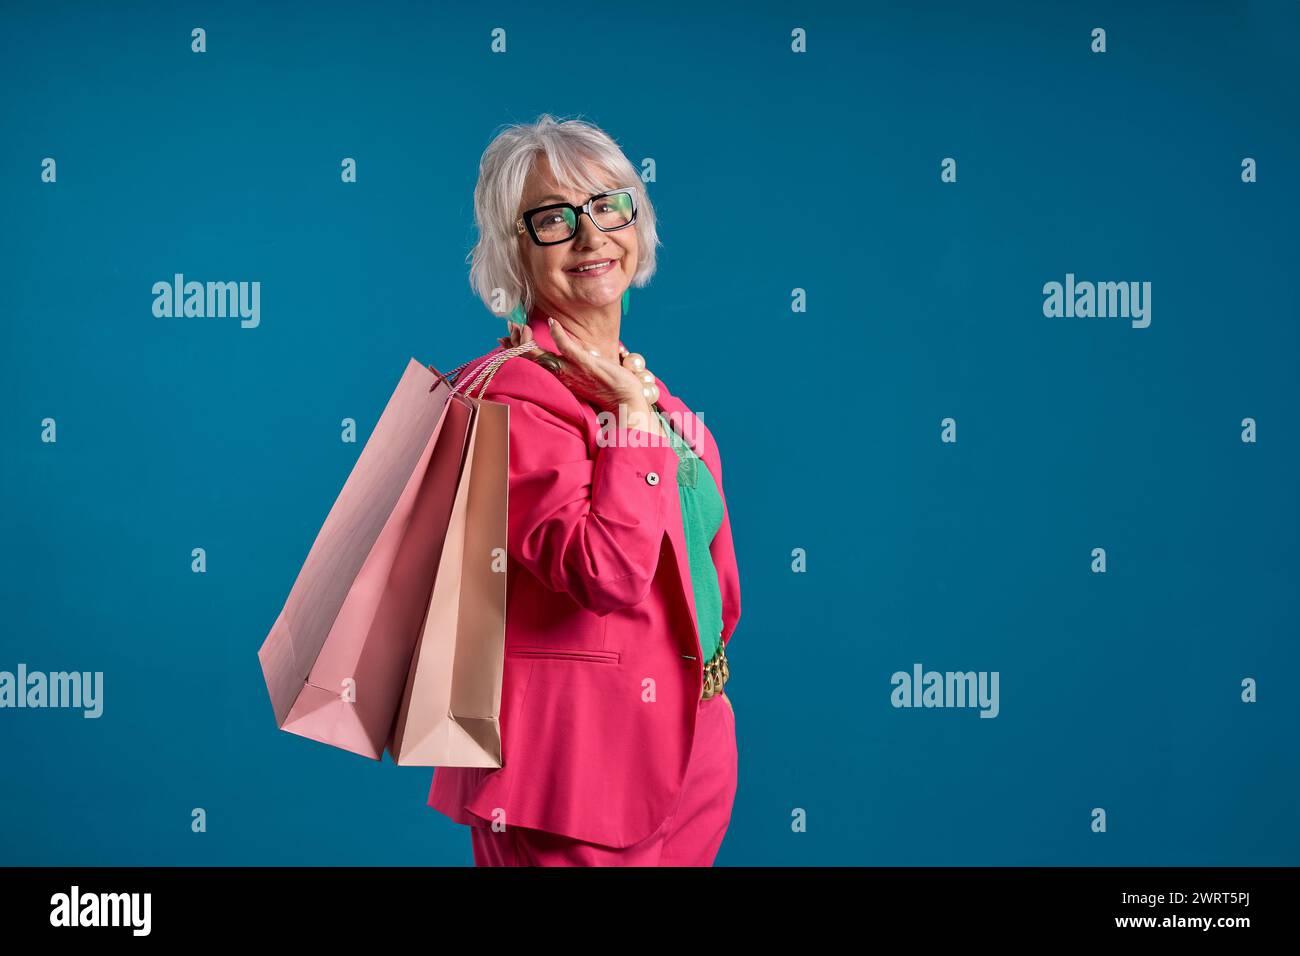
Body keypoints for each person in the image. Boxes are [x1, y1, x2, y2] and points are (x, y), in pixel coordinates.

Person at [427, 114, 741, 866]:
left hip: (688, 743)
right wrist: (631, 420)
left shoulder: (643, 388)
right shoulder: (515, 397)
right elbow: (605, 572)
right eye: (553, 219)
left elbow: (706, 579)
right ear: (515, 249)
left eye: (608, 206)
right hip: (576, 768)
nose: (591, 235)